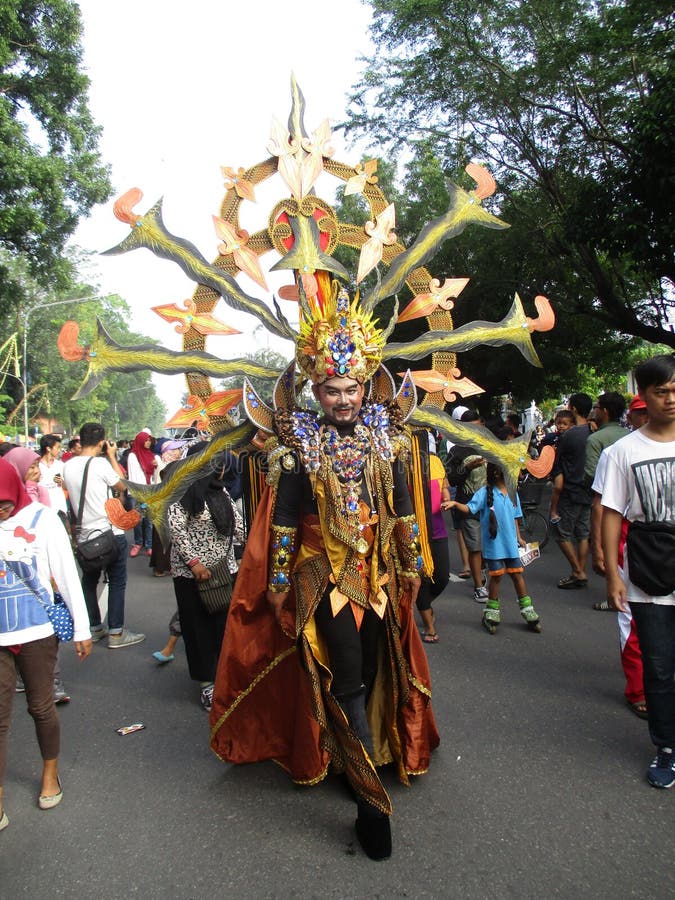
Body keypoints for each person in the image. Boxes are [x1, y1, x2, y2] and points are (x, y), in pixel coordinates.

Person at [210, 287, 439, 861]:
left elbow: (402, 508)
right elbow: (285, 518)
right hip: (325, 579)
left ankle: (352, 753)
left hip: (378, 577)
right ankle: (369, 804)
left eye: (351, 388)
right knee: (349, 673)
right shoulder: (299, 447)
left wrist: (413, 564)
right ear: (315, 391)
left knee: (374, 667)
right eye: (332, 390)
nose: (343, 399)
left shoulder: (386, 441)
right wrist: (278, 582)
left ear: (366, 387)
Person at [0, 458, 91, 831]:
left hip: (37, 631)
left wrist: (82, 628)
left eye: (4, 504)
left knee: (41, 707)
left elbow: (66, 574)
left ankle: (50, 773)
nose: (1, 511)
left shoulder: (43, 519)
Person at [602, 353, 675, 789]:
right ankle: (666, 747)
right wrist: (613, 575)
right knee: (659, 667)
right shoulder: (622, 452)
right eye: (662, 391)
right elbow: (611, 512)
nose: (671, 399)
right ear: (644, 395)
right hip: (649, 571)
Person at [167, 445, 244, 710]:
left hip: (223, 571)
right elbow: (176, 528)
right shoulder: (182, 491)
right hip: (192, 575)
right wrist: (194, 563)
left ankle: (223, 676)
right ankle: (207, 684)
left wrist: (258, 543)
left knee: (223, 627)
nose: (223, 470)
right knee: (198, 629)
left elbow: (238, 525)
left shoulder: (221, 491)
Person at [63, 422, 145, 648]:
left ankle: (95, 628)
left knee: (89, 582)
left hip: (85, 536)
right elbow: (123, 485)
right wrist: (111, 456)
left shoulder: (68, 466)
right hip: (110, 533)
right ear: (102, 442)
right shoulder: (100, 464)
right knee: (117, 581)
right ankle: (116, 633)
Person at [4, 447, 71, 704]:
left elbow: (46, 534)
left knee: (43, 637)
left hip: (37, 581)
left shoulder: (40, 496)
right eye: (30, 467)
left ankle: (52, 680)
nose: (35, 471)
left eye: (36, 466)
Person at [445, 463, 541, 634]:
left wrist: (519, 537)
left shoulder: (513, 493)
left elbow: (515, 518)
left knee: (517, 575)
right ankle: (491, 611)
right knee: (496, 577)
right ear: (497, 473)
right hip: (494, 545)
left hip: (511, 545)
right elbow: (470, 508)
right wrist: (455, 503)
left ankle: (528, 609)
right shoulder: (484, 493)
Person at [444, 409, 489, 602]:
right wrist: (466, 468)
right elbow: (451, 479)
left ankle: (482, 569)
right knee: (475, 547)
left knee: (488, 545)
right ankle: (479, 586)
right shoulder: (457, 451)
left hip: (491, 505)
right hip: (468, 506)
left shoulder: (490, 446)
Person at [552, 392, 593, 589]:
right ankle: (579, 572)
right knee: (582, 534)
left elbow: (557, 469)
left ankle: (578, 571)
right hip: (589, 491)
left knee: (562, 533)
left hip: (570, 491)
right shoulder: (593, 432)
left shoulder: (569, 436)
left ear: (573, 409)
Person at [416, 451, 452, 643]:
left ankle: (425, 603)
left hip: (438, 529)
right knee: (421, 579)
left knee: (442, 577)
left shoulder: (435, 461)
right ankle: (429, 627)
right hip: (415, 532)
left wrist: (446, 500)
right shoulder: (404, 464)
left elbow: (444, 489)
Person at [126, 430, 157, 557]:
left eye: (149, 440)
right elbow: (135, 475)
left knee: (149, 520)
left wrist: (156, 465)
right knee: (137, 520)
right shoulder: (133, 456)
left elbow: (154, 475)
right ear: (140, 441)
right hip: (137, 492)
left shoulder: (150, 455)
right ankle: (138, 543)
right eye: (146, 440)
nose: (148, 442)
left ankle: (149, 545)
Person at [38, 434, 68, 522]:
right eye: (57, 447)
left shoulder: (61, 465)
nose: (59, 450)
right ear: (48, 448)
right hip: (43, 511)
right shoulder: (36, 467)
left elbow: (66, 487)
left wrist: (62, 482)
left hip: (60, 510)